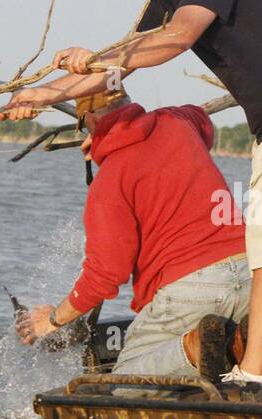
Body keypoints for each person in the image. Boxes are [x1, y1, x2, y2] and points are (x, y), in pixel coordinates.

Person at [0, 0, 262, 402]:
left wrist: (97, 61)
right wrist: (46, 93)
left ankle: (251, 377)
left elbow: (179, 38)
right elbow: (122, 66)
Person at [14, 87, 249, 379]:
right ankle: (237, 343)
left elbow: (105, 276)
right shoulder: (178, 121)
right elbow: (202, 120)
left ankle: (201, 348)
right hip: (252, 273)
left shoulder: (110, 182)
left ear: (89, 120)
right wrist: (113, 135)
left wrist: (51, 321)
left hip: (192, 289)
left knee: (124, 382)